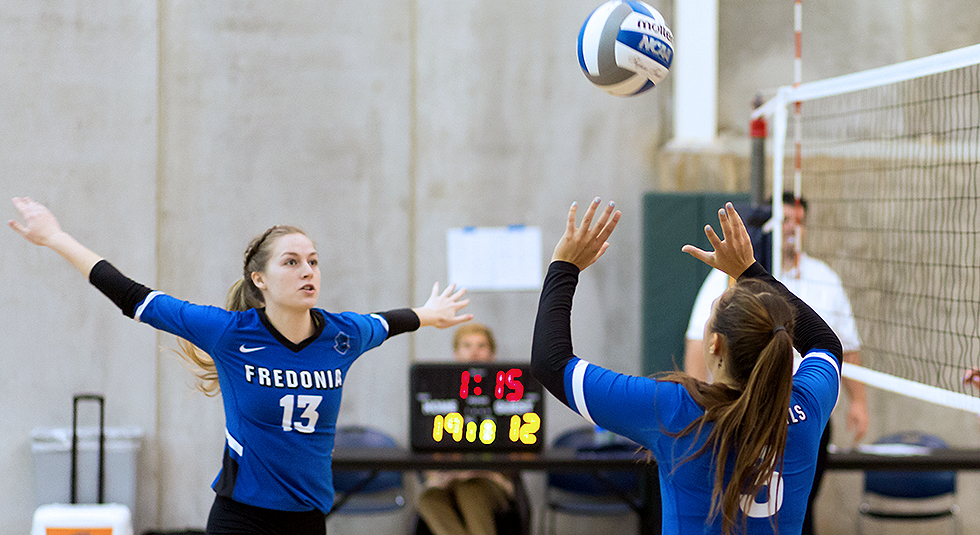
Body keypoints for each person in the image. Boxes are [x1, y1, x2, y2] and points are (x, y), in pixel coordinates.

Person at [8, 196, 473, 535]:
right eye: (292, 262)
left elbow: (389, 322)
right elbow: (134, 297)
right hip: (242, 518)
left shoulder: (343, 334)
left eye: (313, 261)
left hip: (309, 519)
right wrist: (55, 238)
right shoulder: (229, 333)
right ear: (260, 279)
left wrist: (429, 315)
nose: (308, 271)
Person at [531, 198, 842, 535]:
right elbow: (825, 343)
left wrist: (564, 266)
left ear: (714, 344)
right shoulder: (806, 408)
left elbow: (552, 363)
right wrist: (750, 271)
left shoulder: (676, 409)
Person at [683, 193, 867, 535]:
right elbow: (698, 339)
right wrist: (696, 400)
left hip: (800, 411)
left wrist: (858, 401)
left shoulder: (824, 277)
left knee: (799, 506)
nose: (793, 228)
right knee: (726, 505)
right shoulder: (727, 278)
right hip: (734, 412)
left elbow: (846, 345)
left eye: (799, 220)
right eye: (785, 220)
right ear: (770, 226)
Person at [415, 323, 521, 535]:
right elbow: (425, 442)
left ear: (492, 353)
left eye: (481, 345)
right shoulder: (438, 393)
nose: (474, 351)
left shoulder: (509, 392)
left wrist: (485, 472)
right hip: (448, 478)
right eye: (467, 345)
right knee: (428, 498)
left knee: (470, 490)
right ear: (456, 352)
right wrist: (436, 475)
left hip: (491, 480)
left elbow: (520, 444)